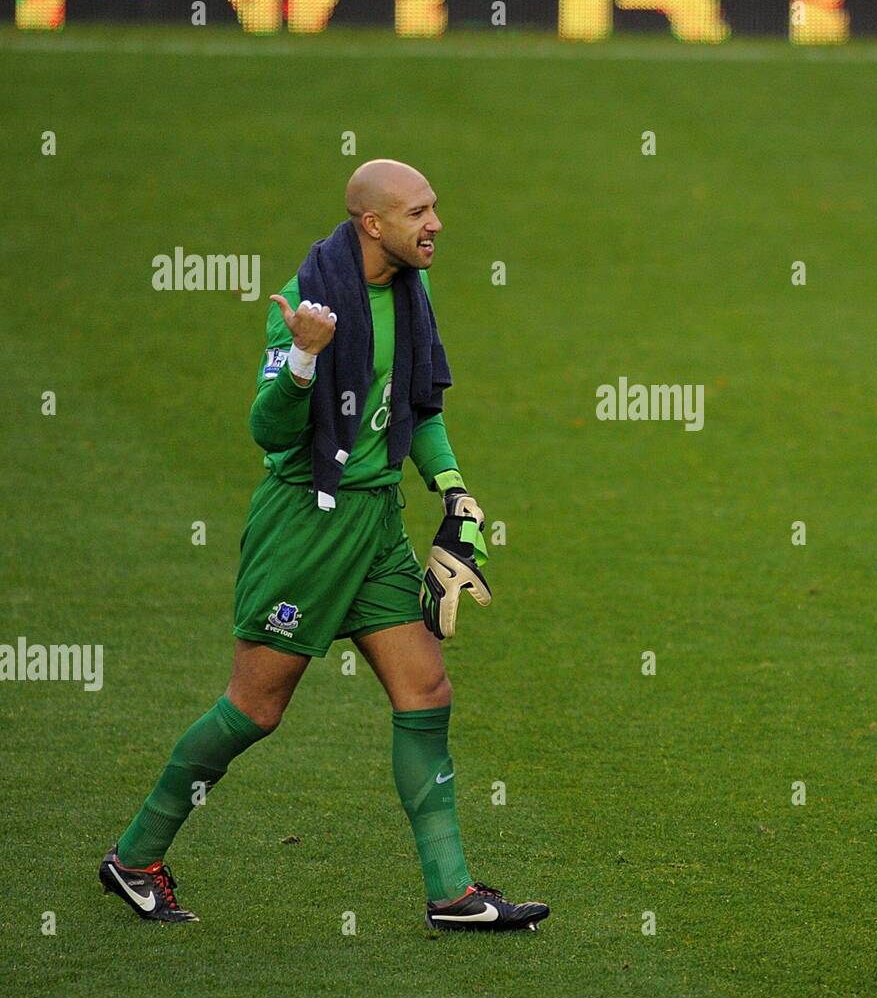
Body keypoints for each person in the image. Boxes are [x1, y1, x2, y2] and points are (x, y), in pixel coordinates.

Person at [100, 160, 550, 935]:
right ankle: (134, 857)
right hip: (305, 528)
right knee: (255, 708)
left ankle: (452, 896)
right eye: (418, 212)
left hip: (374, 524)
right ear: (373, 224)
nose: (435, 223)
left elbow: (418, 407)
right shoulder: (304, 306)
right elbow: (269, 433)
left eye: (434, 207)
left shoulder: (414, 289)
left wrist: (454, 490)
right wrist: (305, 357)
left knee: (426, 689)